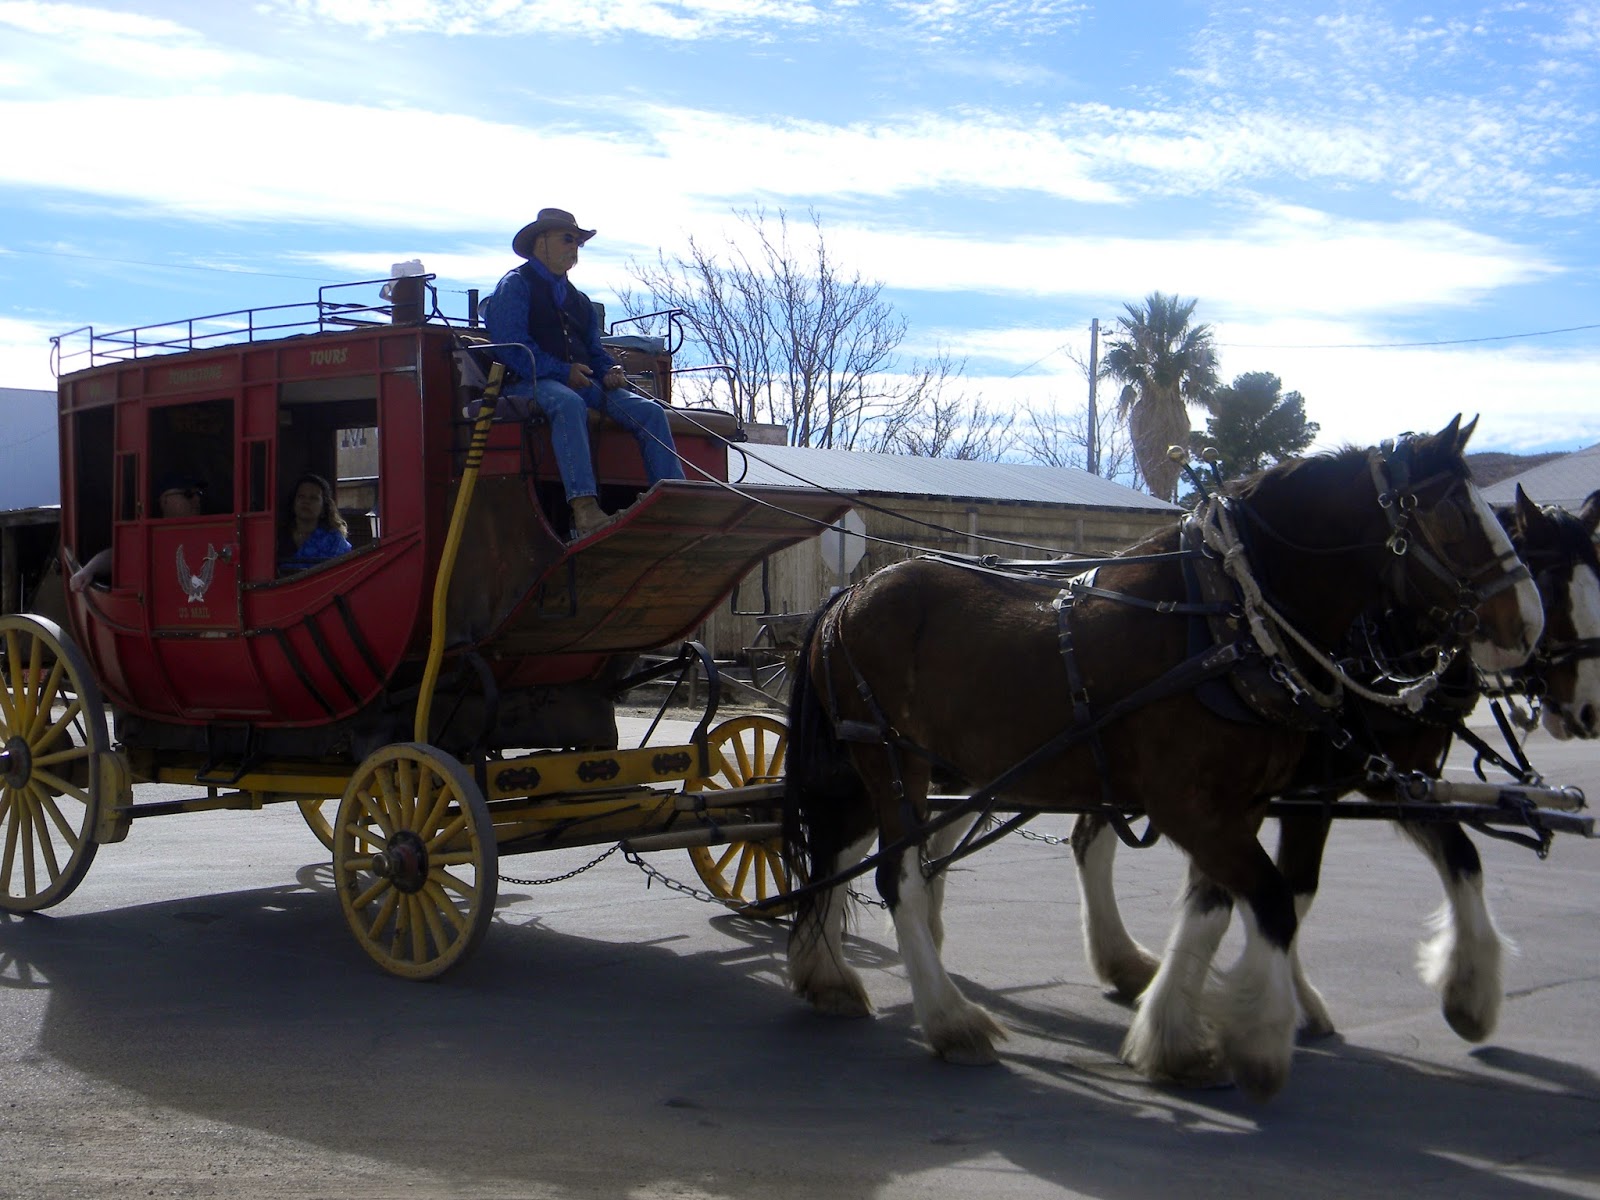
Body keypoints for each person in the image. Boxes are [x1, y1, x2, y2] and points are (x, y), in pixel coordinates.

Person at [483, 207, 684, 538]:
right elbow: (512, 347)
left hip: (580, 382)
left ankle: (673, 502)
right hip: (526, 382)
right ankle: (585, 509)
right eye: (567, 239)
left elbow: (594, 350)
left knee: (650, 411)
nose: (574, 247)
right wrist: (562, 371)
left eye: (578, 242)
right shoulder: (515, 286)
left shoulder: (580, 301)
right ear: (540, 242)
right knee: (568, 403)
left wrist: (609, 370)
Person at [70, 471, 205, 592]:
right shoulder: (151, 536)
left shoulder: (208, 531)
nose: (197, 499)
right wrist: (87, 571)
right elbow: (117, 556)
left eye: (199, 494)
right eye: (188, 494)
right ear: (165, 501)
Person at [279, 473, 353, 571]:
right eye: (301, 496)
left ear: (324, 507)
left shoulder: (334, 541)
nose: (306, 501)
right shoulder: (278, 536)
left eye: (313, 498)